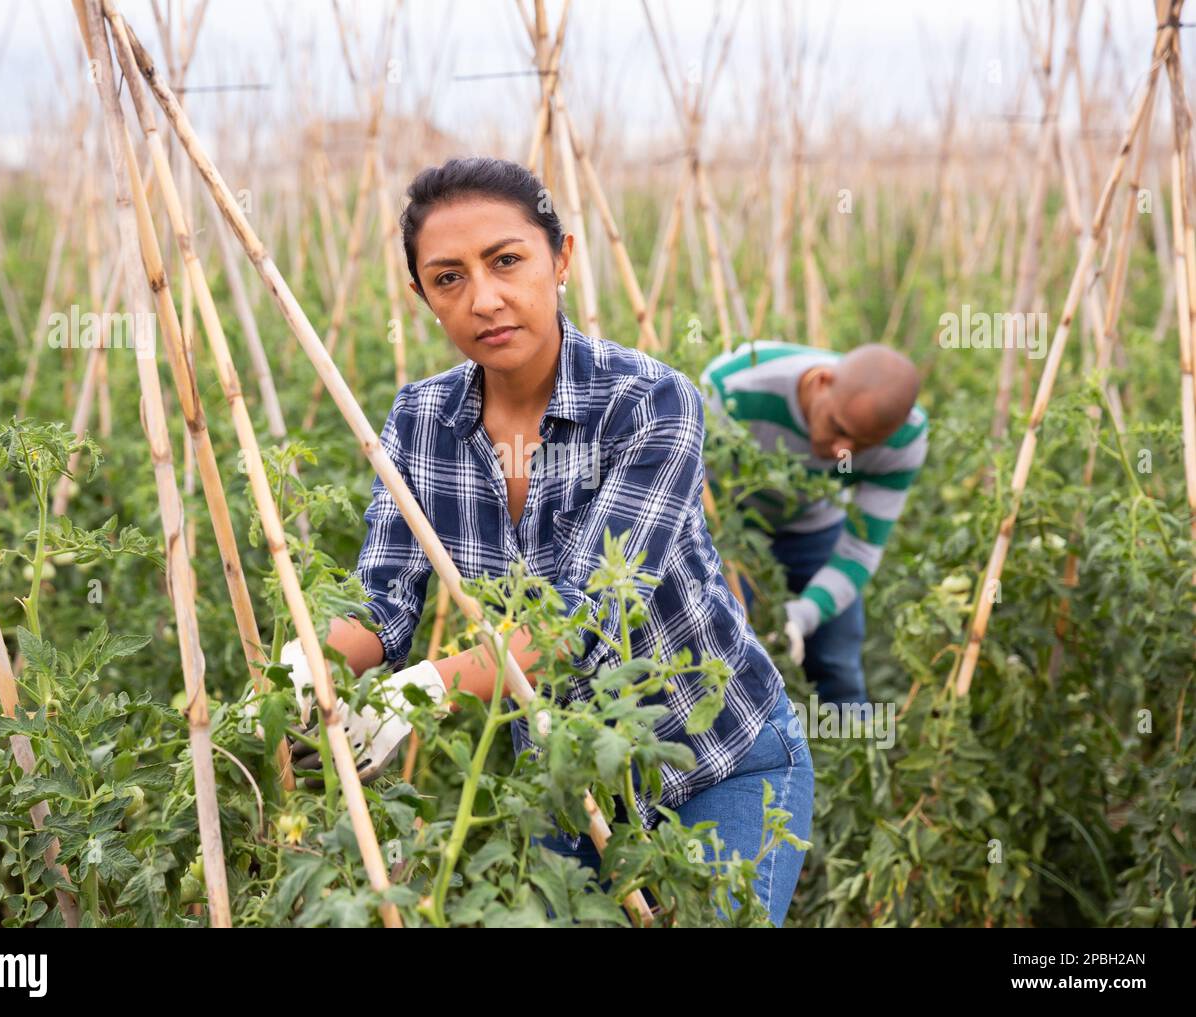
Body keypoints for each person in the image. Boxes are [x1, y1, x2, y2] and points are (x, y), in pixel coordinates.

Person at [284, 156, 813, 925]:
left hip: (718, 761)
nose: (484, 299)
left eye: (506, 260)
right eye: (448, 278)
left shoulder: (651, 403)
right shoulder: (420, 421)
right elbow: (385, 598)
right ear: (422, 296)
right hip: (568, 782)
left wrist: (426, 689)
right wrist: (309, 666)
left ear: (560, 258)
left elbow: (585, 615)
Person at [700, 340, 928, 707]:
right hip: (730, 532)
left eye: (861, 445)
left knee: (837, 667)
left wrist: (801, 616)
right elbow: (693, 498)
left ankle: (849, 755)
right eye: (837, 426)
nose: (843, 452)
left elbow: (859, 550)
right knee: (727, 662)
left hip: (817, 525)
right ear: (822, 381)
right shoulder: (734, 388)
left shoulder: (904, 437)